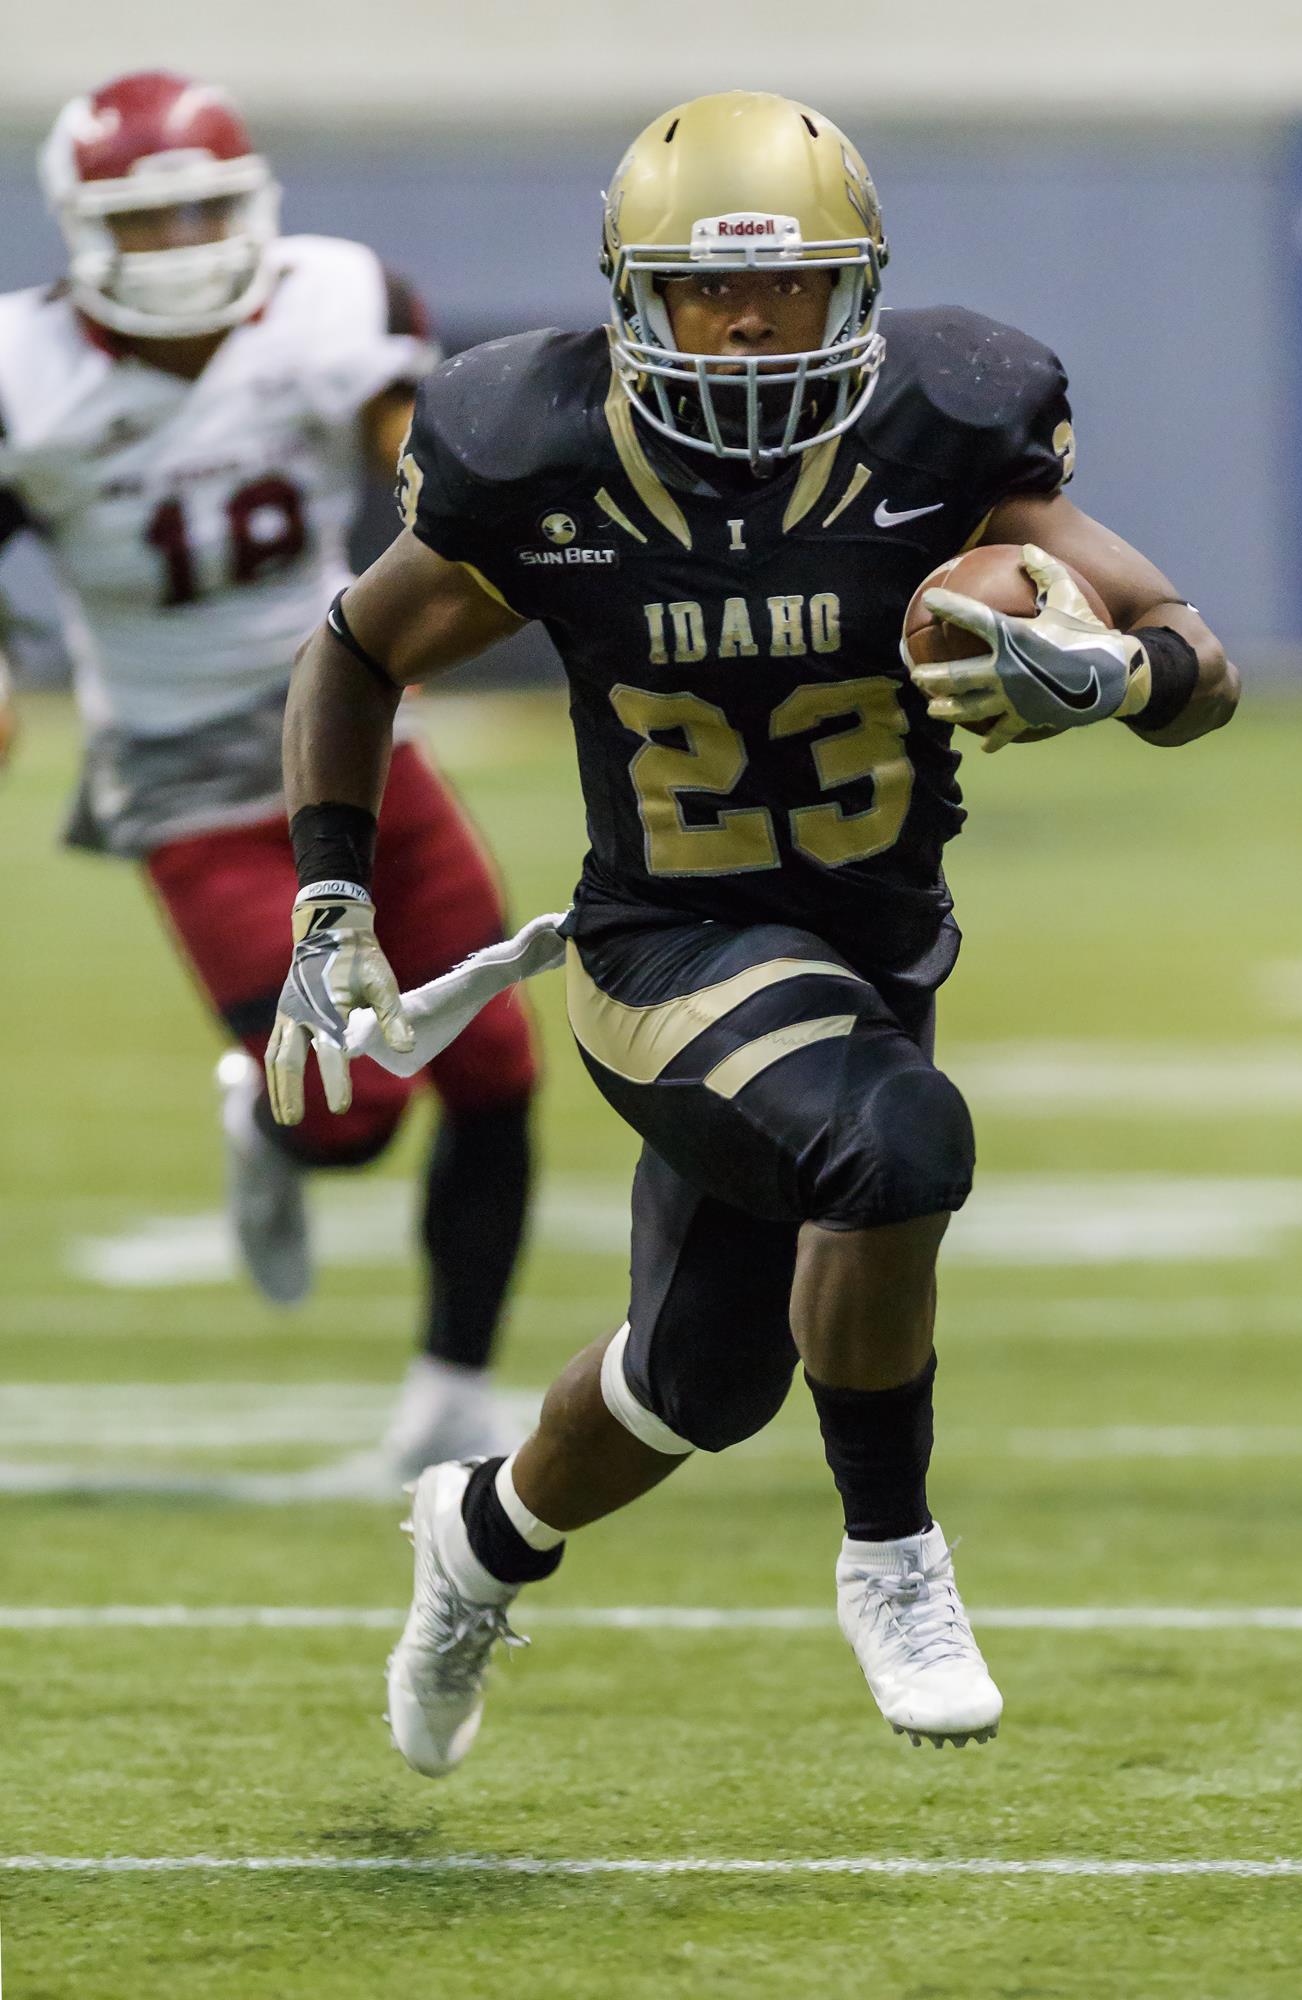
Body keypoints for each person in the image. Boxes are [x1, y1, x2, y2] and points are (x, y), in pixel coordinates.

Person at [266, 90, 1239, 1768]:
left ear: (856, 288)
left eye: (787, 283)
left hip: (867, 956)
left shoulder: (943, 427)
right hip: (662, 946)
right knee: (900, 1145)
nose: (744, 320)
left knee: (698, 1384)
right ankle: (894, 1560)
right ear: (626, 298)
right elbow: (355, 651)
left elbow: (1190, 657)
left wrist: (1110, 675)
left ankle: (479, 1536)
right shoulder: (540, 450)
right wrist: (331, 892)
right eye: (706, 286)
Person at [0, 70, 540, 1479]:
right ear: (83, 227)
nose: (182, 244)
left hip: (349, 732)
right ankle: (263, 1115)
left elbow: (427, 477)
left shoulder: (332, 301)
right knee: (351, 1118)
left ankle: (452, 1394)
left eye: (204, 210)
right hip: (185, 777)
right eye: (148, 217)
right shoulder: (23, 371)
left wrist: (453, 521)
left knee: (493, 1061)